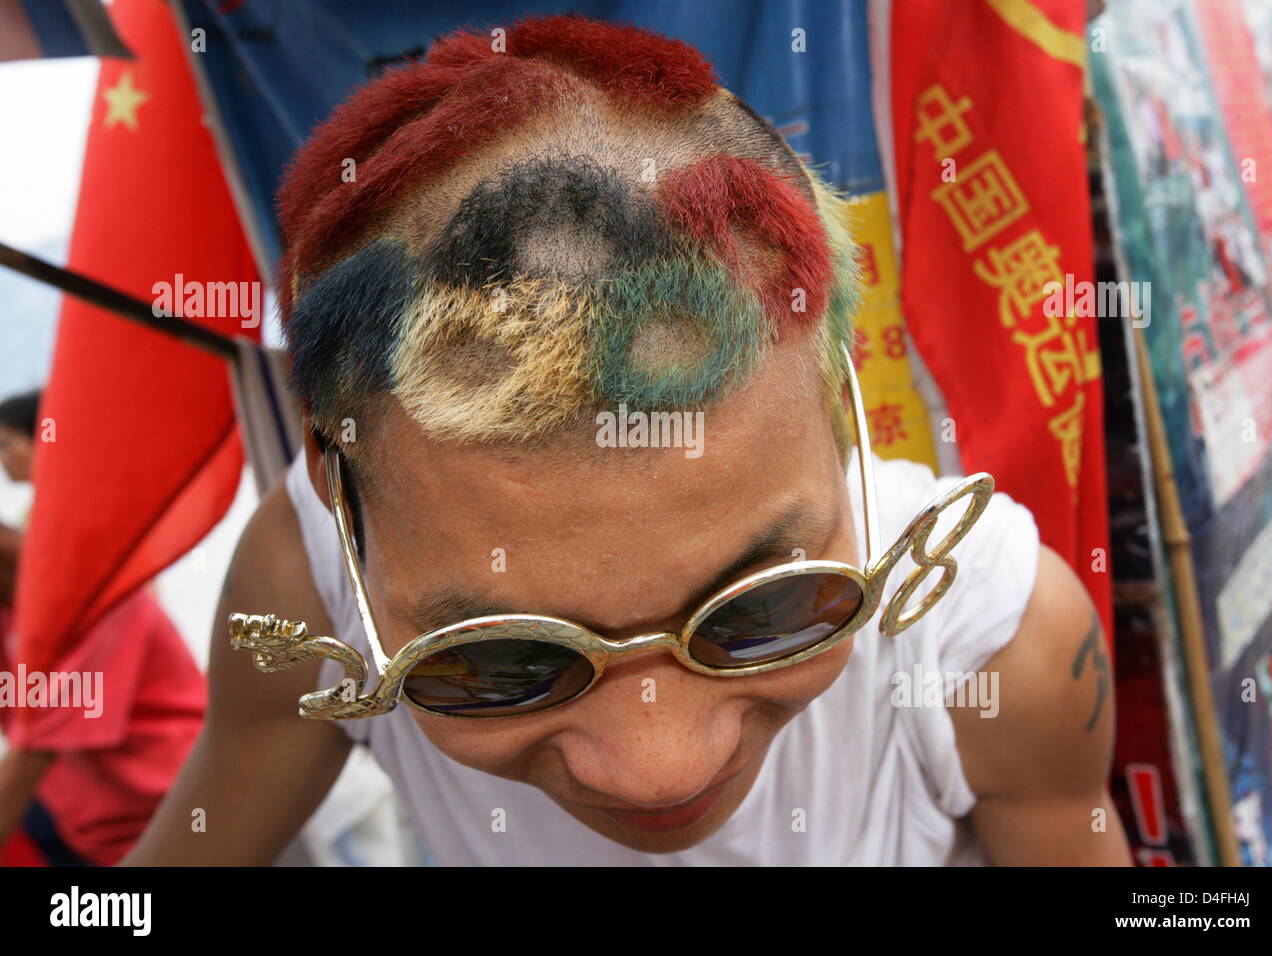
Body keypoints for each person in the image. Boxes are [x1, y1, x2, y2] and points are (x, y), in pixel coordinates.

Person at [127, 15, 1128, 866]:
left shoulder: (990, 639)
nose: (662, 764)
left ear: (839, 412)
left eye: (765, 607)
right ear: (344, 504)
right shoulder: (307, 587)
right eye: (502, 660)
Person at [0, 389, 207, 866]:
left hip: (173, 815)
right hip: (90, 822)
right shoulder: (37, 538)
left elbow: (39, 739)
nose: (5, 459)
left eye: (10, 442)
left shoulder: (88, 557)